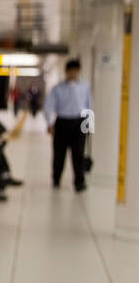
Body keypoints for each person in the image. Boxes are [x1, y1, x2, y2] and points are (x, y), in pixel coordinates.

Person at [45, 59, 93, 192]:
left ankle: (79, 182)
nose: (73, 74)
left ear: (78, 71)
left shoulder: (84, 86)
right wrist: (49, 123)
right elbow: (49, 106)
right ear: (66, 72)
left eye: (75, 71)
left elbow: (89, 105)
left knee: (78, 154)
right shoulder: (57, 88)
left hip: (79, 122)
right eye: (70, 71)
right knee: (59, 153)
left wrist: (89, 125)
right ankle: (56, 178)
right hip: (62, 122)